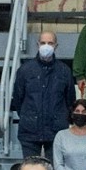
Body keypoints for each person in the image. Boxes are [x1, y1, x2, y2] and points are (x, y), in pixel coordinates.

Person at [11, 31, 75, 160]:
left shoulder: (64, 71)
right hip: (30, 131)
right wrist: (29, 116)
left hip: (56, 131)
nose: (46, 46)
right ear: (37, 45)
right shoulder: (25, 70)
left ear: (56, 46)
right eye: (43, 43)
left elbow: (70, 100)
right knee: (31, 169)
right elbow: (18, 99)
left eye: (50, 43)